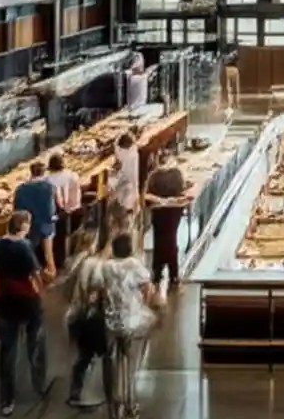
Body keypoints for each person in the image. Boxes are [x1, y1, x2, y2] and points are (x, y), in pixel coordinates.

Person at [0, 211, 49, 417]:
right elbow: (35, 276)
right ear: (24, 226)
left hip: (3, 304)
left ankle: (7, 399)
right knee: (35, 342)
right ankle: (39, 385)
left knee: (7, 351)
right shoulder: (25, 248)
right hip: (27, 303)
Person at [98, 234, 159, 419]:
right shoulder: (134, 264)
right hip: (132, 320)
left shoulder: (106, 266)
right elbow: (147, 288)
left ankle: (113, 406)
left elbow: (100, 290)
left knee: (112, 363)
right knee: (131, 366)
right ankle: (131, 403)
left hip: (111, 320)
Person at [63, 229, 108, 408]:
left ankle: (75, 392)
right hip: (87, 316)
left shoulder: (71, 262)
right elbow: (94, 291)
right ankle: (89, 394)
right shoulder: (92, 263)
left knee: (81, 356)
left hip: (72, 315)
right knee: (96, 355)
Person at [144, 159, 189, 285]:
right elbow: (183, 192)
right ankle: (173, 273)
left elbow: (147, 195)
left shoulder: (154, 176)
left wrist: (160, 202)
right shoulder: (176, 175)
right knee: (171, 238)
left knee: (158, 239)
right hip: (174, 213)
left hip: (158, 213)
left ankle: (157, 272)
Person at [12, 162, 57, 276]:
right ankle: (51, 270)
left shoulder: (20, 189)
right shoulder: (49, 187)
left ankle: (32, 272)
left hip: (27, 225)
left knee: (29, 249)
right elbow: (50, 209)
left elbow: (17, 209)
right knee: (48, 252)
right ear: (44, 172)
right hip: (45, 225)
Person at [46, 153, 82, 269]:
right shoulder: (73, 175)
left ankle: (59, 263)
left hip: (59, 216)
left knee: (58, 240)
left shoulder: (48, 180)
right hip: (76, 210)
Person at [110, 134, 141, 244]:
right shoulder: (134, 155)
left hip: (119, 192)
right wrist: (137, 197)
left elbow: (116, 145)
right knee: (127, 222)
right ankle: (125, 242)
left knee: (117, 219)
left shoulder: (119, 153)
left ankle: (116, 240)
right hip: (128, 192)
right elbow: (134, 177)